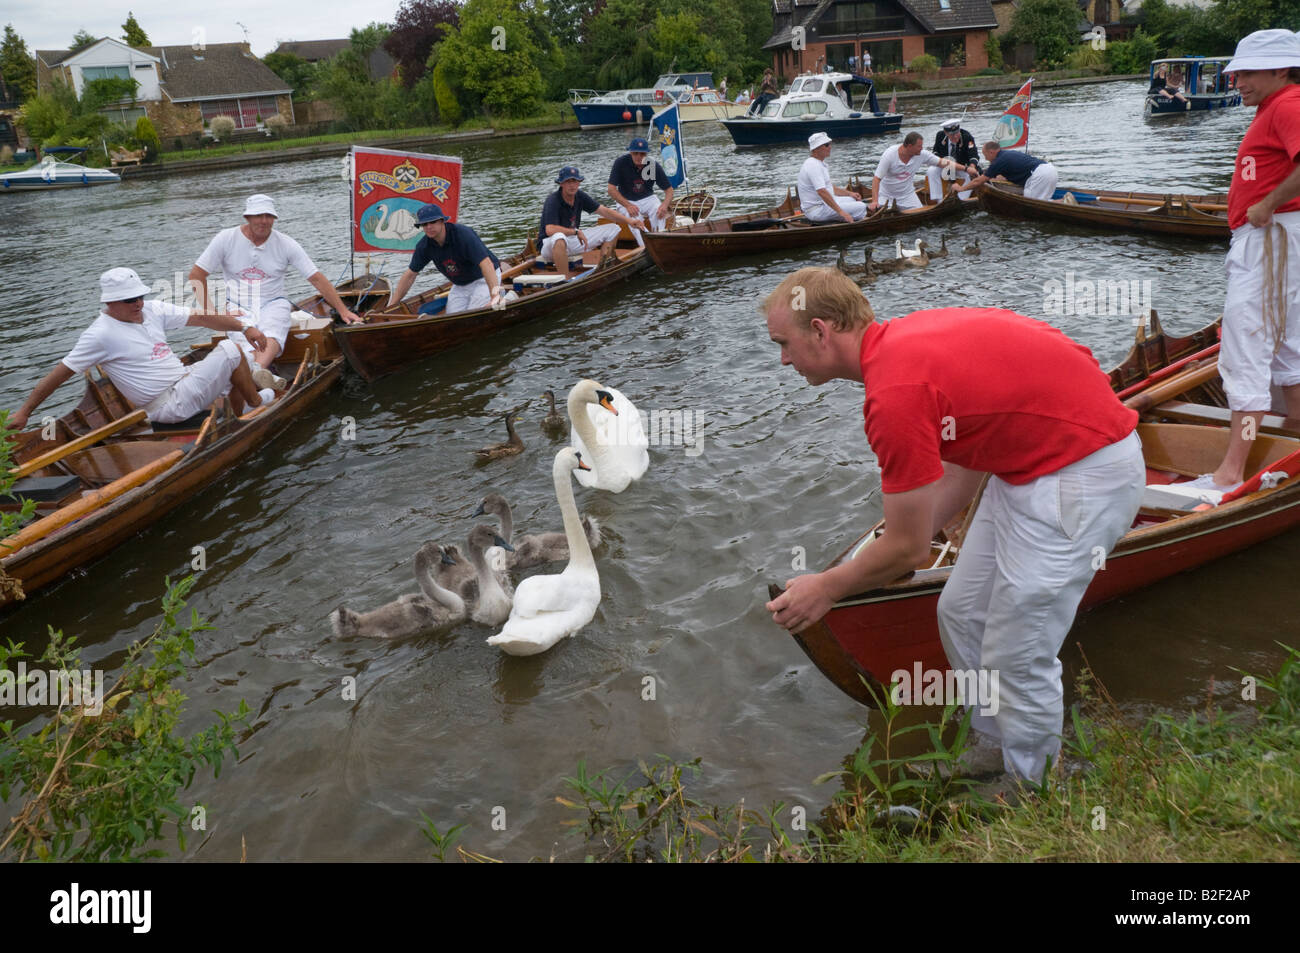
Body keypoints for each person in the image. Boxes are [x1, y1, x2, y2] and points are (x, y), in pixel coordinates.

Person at [762, 267, 1144, 785]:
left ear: (822, 331)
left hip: (1082, 472)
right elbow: (964, 458)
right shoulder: (899, 346)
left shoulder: (892, 393)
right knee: (962, 612)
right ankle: (996, 745)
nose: (783, 358)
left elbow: (908, 548)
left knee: (1017, 651)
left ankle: (1037, 788)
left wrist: (825, 588)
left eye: (784, 343)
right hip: (1031, 465)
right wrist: (891, 546)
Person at [1183, 30, 1300, 494]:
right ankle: (1292, 434)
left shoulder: (1288, 104)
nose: (1238, 81)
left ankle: (1230, 472)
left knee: (1246, 346)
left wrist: (1267, 204)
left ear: (1279, 69)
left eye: (1248, 72)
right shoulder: (1279, 106)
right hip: (1279, 239)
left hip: (1269, 238)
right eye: (1238, 72)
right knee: (1287, 341)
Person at [7, 267, 274, 431]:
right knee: (229, 351)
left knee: (237, 358)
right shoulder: (99, 335)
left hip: (184, 383)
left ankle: (238, 418)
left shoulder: (152, 310)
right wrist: (25, 412)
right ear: (110, 302)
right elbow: (59, 374)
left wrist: (245, 327)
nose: (138, 304)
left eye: (140, 297)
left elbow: (202, 318)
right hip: (168, 406)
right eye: (129, 300)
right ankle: (254, 402)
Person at [188, 194, 361, 386]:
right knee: (242, 335)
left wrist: (344, 311)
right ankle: (258, 376)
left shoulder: (286, 243)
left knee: (274, 327)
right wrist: (212, 314)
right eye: (258, 215)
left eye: (268, 216)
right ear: (247, 217)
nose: (263, 221)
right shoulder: (225, 238)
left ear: (274, 219)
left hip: (274, 301)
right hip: (238, 303)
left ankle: (254, 373)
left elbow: (316, 278)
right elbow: (196, 275)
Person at [385, 204, 503, 314]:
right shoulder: (424, 246)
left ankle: (503, 295)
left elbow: (487, 264)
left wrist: (494, 296)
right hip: (460, 284)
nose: (429, 227)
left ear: (442, 221)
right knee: (452, 315)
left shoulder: (463, 235)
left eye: (433, 222)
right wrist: (390, 307)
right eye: (425, 224)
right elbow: (410, 275)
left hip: (484, 279)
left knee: (475, 313)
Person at [537, 166, 645, 279]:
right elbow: (550, 230)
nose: (572, 185)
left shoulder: (580, 196)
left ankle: (601, 270)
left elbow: (604, 211)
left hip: (571, 240)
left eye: (574, 181)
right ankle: (565, 280)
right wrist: (575, 232)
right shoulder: (553, 200)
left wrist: (630, 221)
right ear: (561, 184)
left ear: (579, 183)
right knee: (559, 237)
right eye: (568, 181)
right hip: (549, 246)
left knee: (613, 229)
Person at [607, 137, 675, 248]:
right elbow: (611, 189)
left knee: (659, 211)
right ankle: (648, 247)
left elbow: (669, 190)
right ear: (630, 152)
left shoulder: (652, 165)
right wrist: (628, 205)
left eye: (642, 154)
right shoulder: (620, 163)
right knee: (634, 217)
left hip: (648, 198)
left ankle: (659, 239)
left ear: (646, 154)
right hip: (626, 199)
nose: (639, 157)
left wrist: (664, 205)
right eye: (635, 153)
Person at [870, 131, 954, 212]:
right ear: (910, 146)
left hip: (907, 196)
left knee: (920, 215)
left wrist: (965, 169)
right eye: (919, 146)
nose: (921, 149)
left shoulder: (921, 154)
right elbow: (876, 179)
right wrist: (874, 201)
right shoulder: (889, 154)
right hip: (886, 196)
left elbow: (943, 162)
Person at [798, 132, 867, 224]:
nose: (830, 147)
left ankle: (851, 215)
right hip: (817, 210)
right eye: (826, 145)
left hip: (823, 205)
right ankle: (858, 219)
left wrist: (850, 193)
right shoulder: (813, 165)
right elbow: (821, 192)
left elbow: (830, 188)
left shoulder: (819, 163)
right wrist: (842, 212)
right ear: (816, 148)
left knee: (853, 199)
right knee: (861, 206)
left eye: (830, 144)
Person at [954, 142, 1058, 201]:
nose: (986, 159)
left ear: (991, 152)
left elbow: (978, 181)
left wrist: (961, 188)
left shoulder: (998, 161)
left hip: (1040, 175)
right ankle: (1063, 201)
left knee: (1032, 204)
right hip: (1049, 169)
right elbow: (1002, 176)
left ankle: (1063, 201)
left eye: (986, 156)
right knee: (1042, 200)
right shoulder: (1007, 154)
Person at [927, 118, 982, 201]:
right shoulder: (940, 136)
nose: (956, 136)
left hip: (962, 167)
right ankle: (938, 199)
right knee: (931, 170)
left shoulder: (967, 137)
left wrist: (972, 167)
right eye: (952, 134)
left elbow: (973, 155)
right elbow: (935, 153)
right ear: (946, 133)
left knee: (971, 176)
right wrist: (952, 180)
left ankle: (961, 199)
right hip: (946, 166)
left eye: (957, 133)